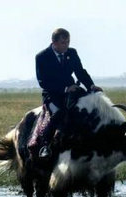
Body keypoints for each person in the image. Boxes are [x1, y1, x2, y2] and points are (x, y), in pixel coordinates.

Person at [35, 28, 103, 159]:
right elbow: (43, 82)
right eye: (63, 42)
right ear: (54, 42)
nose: (66, 45)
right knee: (57, 113)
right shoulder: (42, 57)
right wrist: (65, 89)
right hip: (53, 94)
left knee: (89, 107)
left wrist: (91, 86)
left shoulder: (72, 53)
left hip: (73, 91)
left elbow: (80, 72)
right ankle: (45, 146)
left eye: (68, 42)